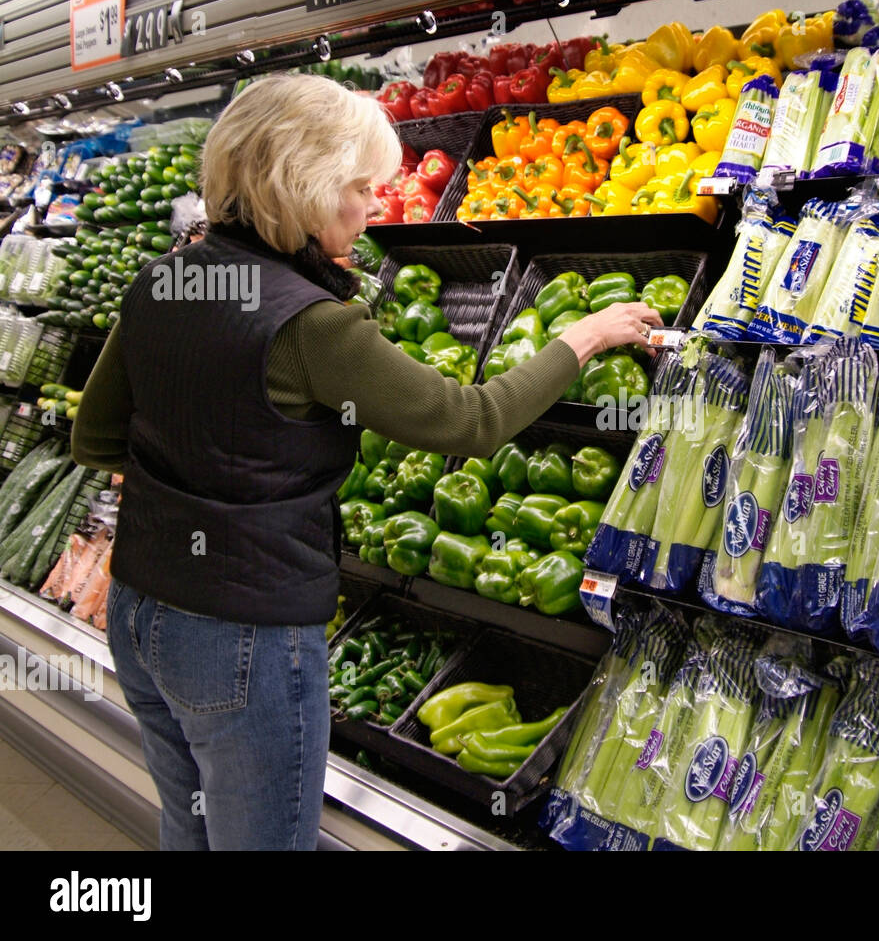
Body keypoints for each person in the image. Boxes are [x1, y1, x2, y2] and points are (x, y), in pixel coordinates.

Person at [69, 74, 663, 850]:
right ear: (307, 189)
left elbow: (96, 439)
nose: (376, 206)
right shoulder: (312, 323)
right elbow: (471, 420)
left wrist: (209, 471)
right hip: (246, 635)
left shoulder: (164, 280)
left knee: (189, 822)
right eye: (360, 188)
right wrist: (581, 339)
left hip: (142, 608)